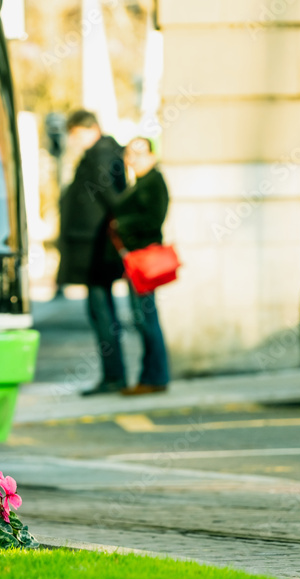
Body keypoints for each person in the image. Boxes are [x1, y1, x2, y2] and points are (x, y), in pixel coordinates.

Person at [57, 110, 128, 395]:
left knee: (101, 315)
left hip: (95, 249)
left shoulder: (98, 155)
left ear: (87, 129)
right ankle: (113, 375)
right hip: (95, 247)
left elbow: (112, 199)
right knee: (101, 313)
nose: (73, 141)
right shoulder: (105, 152)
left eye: (74, 134)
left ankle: (113, 377)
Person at [110, 137, 171, 395]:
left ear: (152, 156)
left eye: (139, 153)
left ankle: (155, 377)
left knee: (147, 319)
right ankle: (151, 376)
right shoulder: (140, 183)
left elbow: (153, 219)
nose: (132, 159)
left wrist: (121, 226)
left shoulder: (153, 182)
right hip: (136, 260)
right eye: (128, 154)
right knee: (144, 318)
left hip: (144, 259)